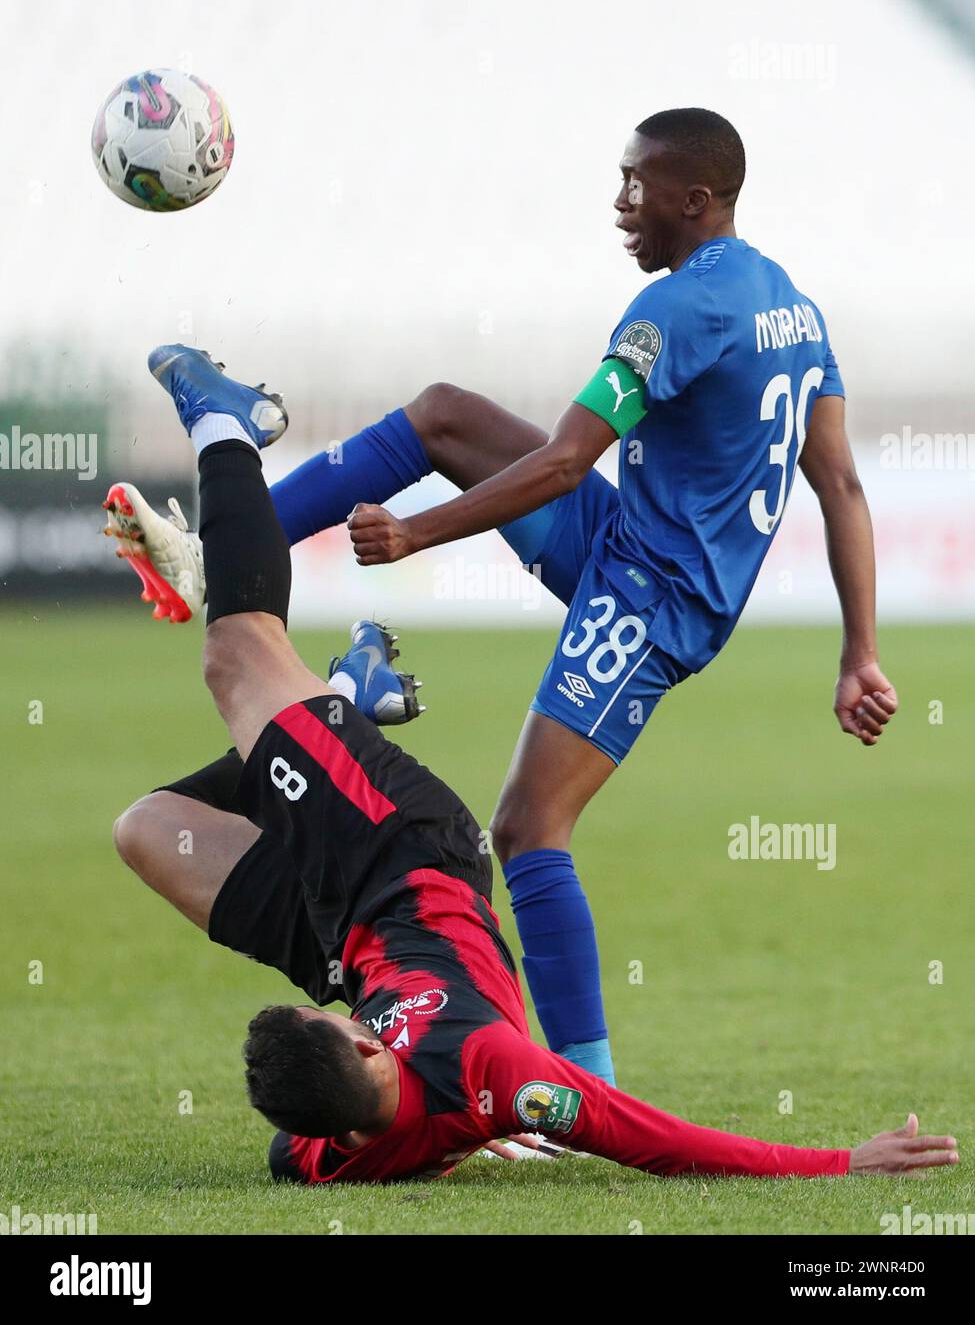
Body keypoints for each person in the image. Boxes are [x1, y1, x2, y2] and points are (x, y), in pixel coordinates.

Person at [109, 108, 897, 1090]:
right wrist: (859, 652)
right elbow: (843, 486)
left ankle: (589, 1089)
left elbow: (568, 460)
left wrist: (416, 532)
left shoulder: (674, 317)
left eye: (636, 184)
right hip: (630, 540)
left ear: (697, 200)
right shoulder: (795, 306)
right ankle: (215, 550)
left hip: (652, 600)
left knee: (527, 828)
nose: (620, 204)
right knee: (445, 415)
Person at [108, 344, 954, 1185]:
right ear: (364, 1041)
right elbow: (654, 1139)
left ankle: (340, 700)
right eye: (330, 1025)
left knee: (147, 831)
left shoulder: (336, 1154)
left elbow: (289, 1150)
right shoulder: (496, 1075)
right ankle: (227, 424)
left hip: (345, 936)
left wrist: (424, 1134)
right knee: (235, 655)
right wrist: (842, 1160)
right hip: (402, 852)